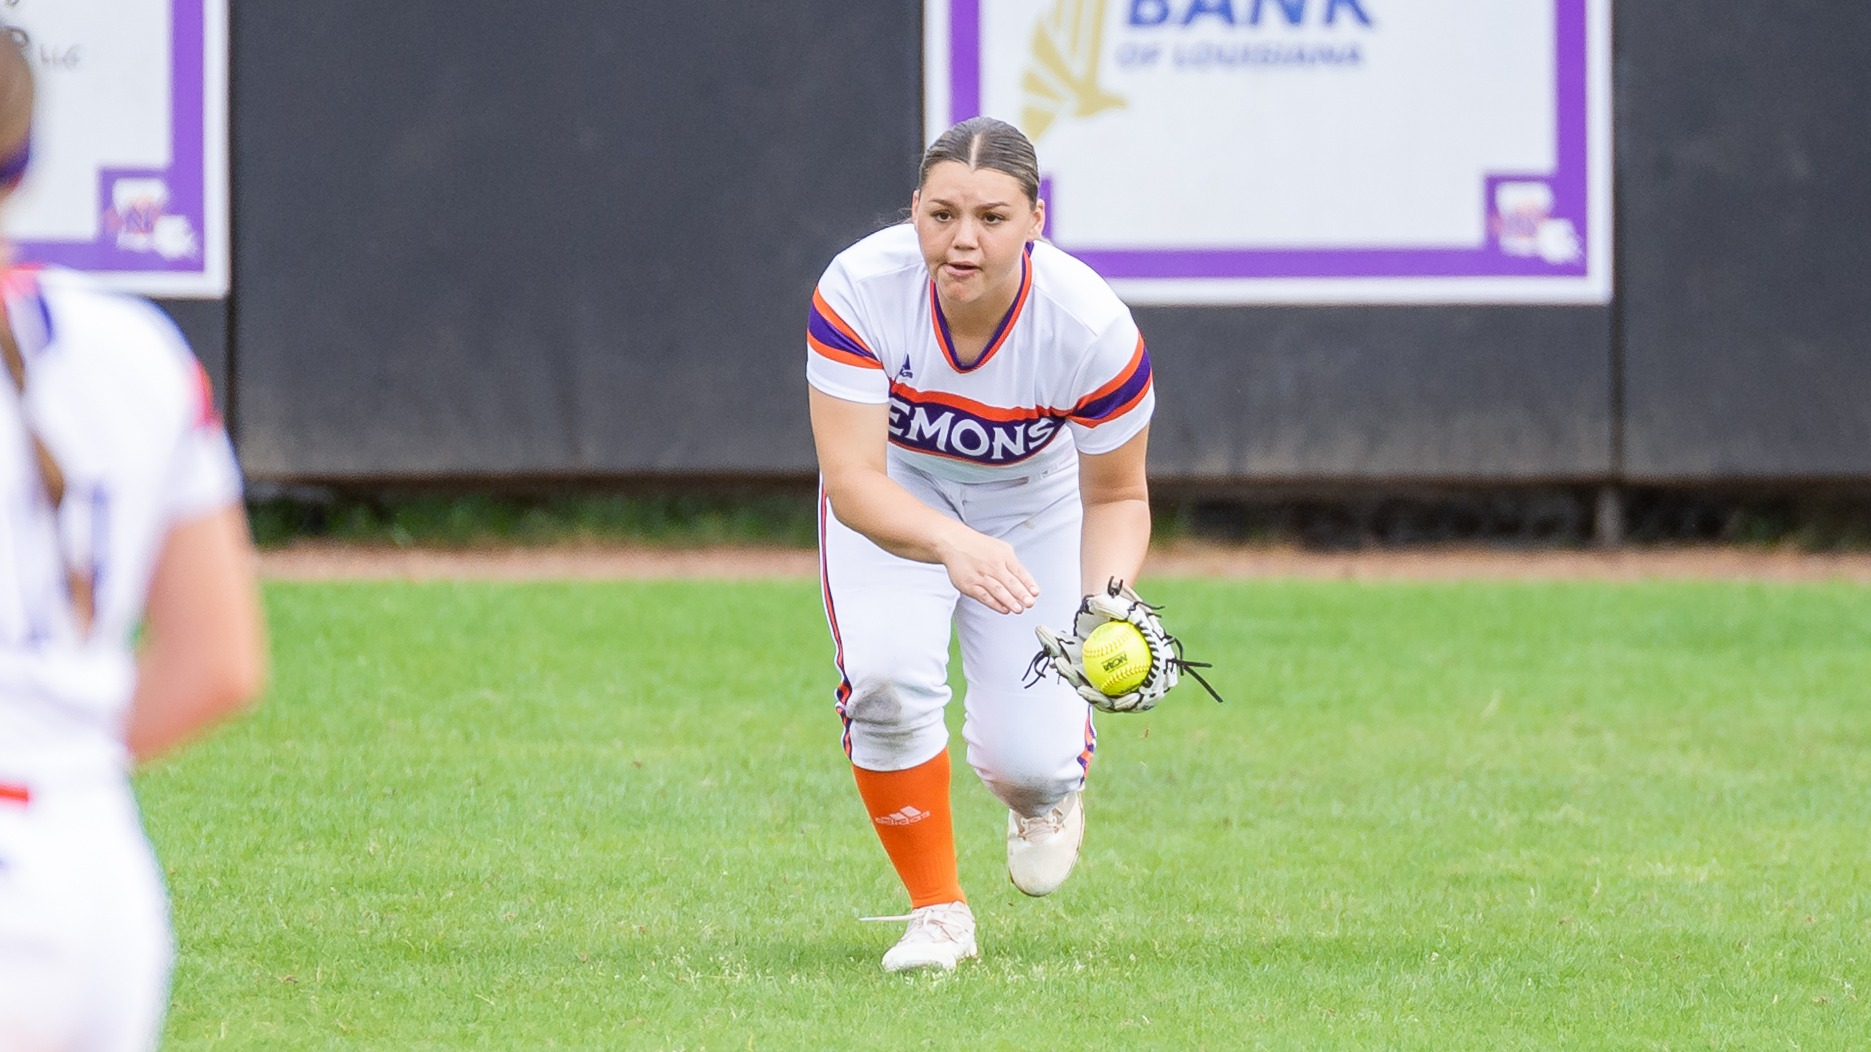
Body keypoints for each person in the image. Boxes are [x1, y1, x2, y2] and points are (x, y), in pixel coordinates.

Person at [807, 116, 1155, 972]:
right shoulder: (858, 287)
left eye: (992, 218)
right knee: (886, 683)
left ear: (1036, 219)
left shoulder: (1090, 329)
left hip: (1036, 508)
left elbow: (1117, 492)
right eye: (941, 214)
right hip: (898, 497)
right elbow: (852, 482)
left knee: (1029, 764)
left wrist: (1107, 603)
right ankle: (937, 914)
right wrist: (946, 541)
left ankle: (1045, 795)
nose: (962, 241)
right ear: (913, 211)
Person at [0, 40, 267, 1051]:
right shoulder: (136, 351)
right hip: (88, 876)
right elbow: (221, 662)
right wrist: (56, 765)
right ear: (24, 161)